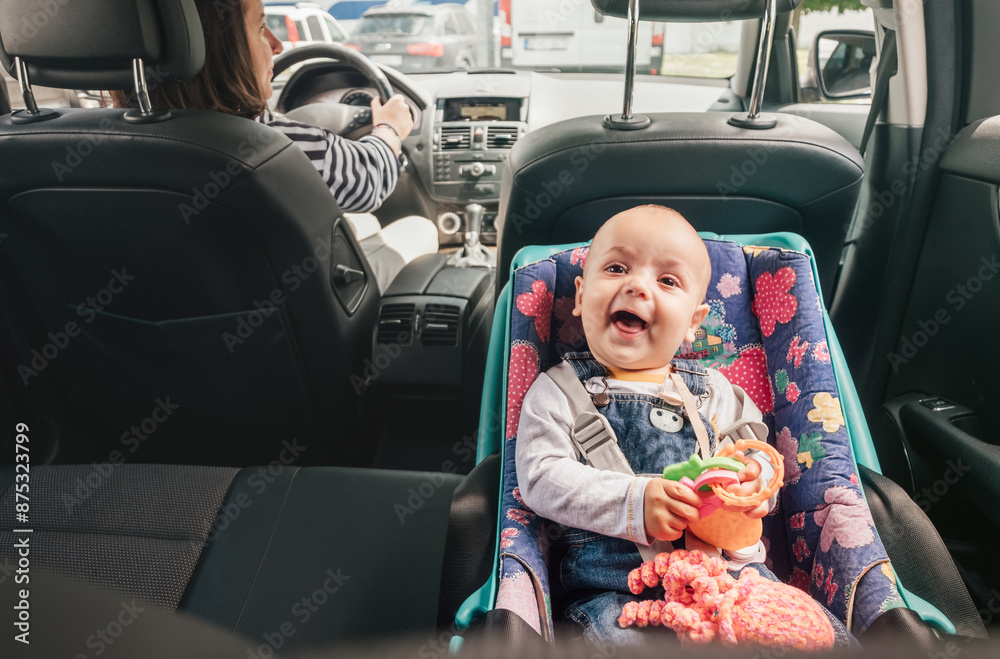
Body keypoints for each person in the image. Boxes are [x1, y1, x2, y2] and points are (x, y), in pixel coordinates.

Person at [515, 205, 854, 647]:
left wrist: (754, 484)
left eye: (668, 280)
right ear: (580, 296)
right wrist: (634, 503)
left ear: (694, 322)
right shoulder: (556, 390)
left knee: (814, 636)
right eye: (617, 268)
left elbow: (757, 456)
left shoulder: (715, 392)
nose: (637, 285)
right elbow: (541, 478)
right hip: (619, 593)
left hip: (734, 580)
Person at [109, 0, 438, 292]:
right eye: (262, 27)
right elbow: (368, 180)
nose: (277, 45)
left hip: (161, 333)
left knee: (361, 224)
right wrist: (389, 128)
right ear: (217, 50)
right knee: (419, 228)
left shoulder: (90, 144)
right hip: (296, 323)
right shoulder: (267, 145)